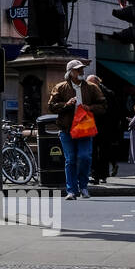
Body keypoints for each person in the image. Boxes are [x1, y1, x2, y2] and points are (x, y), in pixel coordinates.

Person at [47, 59, 107, 200]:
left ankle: (83, 186)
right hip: (67, 129)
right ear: (70, 72)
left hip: (84, 129)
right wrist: (66, 104)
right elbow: (51, 106)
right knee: (71, 159)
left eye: (82, 69)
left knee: (84, 157)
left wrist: (90, 108)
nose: (81, 71)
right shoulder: (60, 87)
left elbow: (103, 106)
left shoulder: (92, 87)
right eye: (78, 69)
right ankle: (72, 191)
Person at [85, 74, 119, 183]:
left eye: (91, 83)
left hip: (105, 126)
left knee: (102, 151)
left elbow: (114, 112)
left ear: (97, 82)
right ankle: (97, 175)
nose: (89, 85)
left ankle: (101, 175)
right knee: (94, 151)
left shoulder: (108, 94)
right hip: (94, 125)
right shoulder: (91, 93)